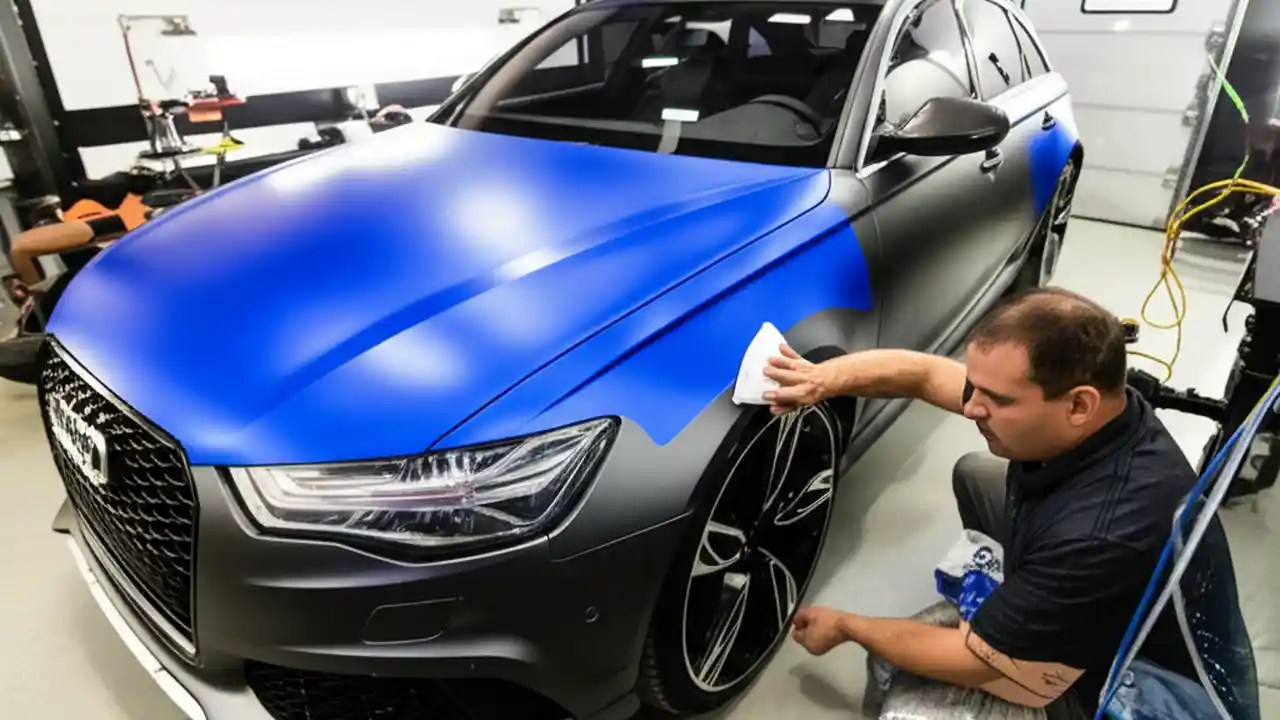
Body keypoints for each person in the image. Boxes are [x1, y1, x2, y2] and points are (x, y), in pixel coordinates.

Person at [762, 287, 1244, 719]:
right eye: (975, 387)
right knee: (978, 473)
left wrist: (849, 625)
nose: (970, 407)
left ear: (1079, 405)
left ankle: (1032, 616)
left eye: (997, 399)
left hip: (1137, 687)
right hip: (1095, 586)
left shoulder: (1099, 533)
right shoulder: (1109, 407)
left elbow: (973, 661)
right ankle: (1031, 597)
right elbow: (926, 374)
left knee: (912, 707)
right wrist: (821, 379)